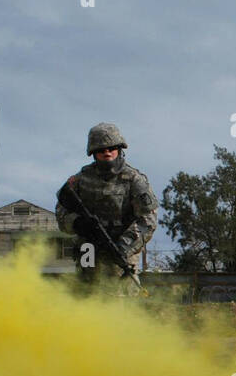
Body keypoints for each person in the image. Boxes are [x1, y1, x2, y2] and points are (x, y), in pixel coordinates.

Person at [54, 123, 158, 293]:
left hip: (121, 251)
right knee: (85, 297)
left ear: (119, 148)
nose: (107, 152)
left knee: (123, 299)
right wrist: (77, 223)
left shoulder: (133, 179)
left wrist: (123, 247)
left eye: (111, 148)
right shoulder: (80, 180)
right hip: (88, 249)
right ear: (93, 153)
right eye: (101, 149)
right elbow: (61, 212)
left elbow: (148, 220)